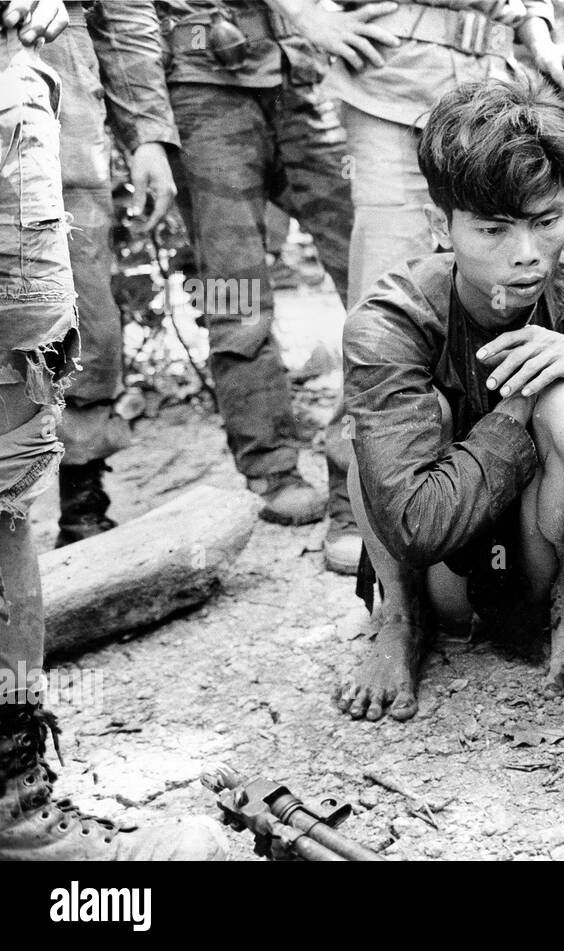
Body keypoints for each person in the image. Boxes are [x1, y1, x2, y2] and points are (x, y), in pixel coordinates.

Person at [0, 0, 225, 859]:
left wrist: (150, 134)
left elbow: (127, 12)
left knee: (34, 396)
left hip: (45, 110)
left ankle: (15, 806)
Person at [336, 78, 564, 722]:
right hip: (439, 572)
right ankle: (400, 623)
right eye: (493, 230)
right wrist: (518, 407)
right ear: (439, 227)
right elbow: (416, 525)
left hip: (546, 562)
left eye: (546, 222)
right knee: (382, 432)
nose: (527, 256)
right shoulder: (388, 322)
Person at [268, 0, 564, 575]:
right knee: (384, 301)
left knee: (508, 279)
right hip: (392, 86)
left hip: (489, 82)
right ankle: (351, 499)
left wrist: (538, 31)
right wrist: (308, 14)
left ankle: (471, 497)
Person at [156, 0, 354, 531]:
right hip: (205, 88)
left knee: (369, 263)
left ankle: (374, 445)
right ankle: (272, 468)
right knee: (233, 289)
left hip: (299, 79)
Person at [41, 0, 179, 546]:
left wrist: (146, 134)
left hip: (58, 77)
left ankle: (82, 501)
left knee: (81, 304)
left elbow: (123, 12)